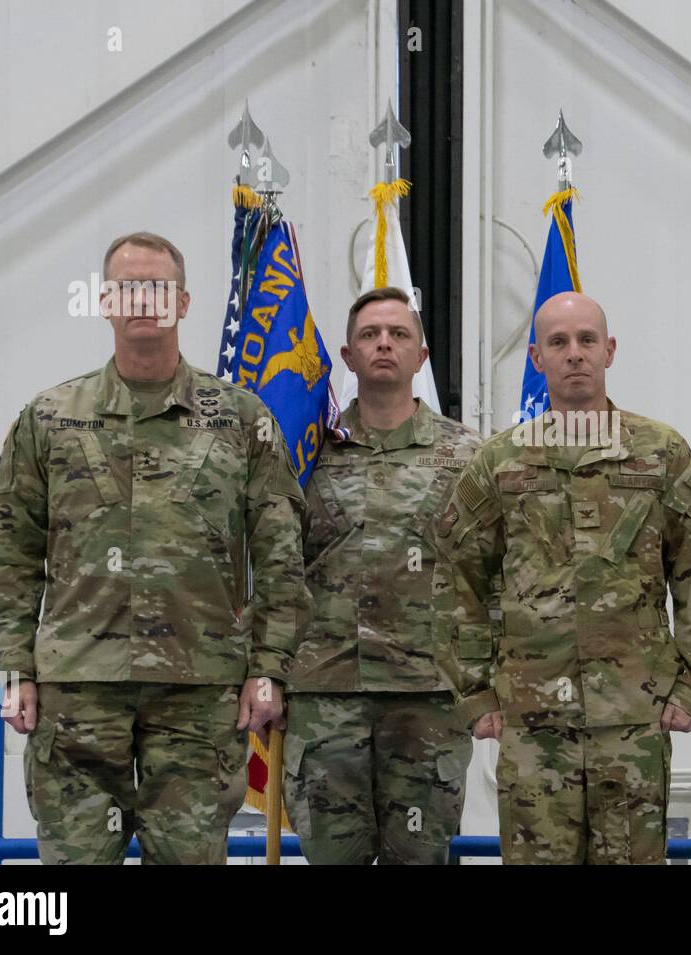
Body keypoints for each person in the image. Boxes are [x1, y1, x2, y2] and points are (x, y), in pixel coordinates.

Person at [0, 232, 305, 864]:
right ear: (105, 301)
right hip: (77, 689)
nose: (143, 299)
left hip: (198, 690)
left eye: (157, 287)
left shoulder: (241, 418)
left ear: (183, 302)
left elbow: (279, 553)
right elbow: (15, 554)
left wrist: (268, 667)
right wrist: (13, 666)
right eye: (128, 286)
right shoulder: (49, 419)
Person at [433, 291, 691, 864]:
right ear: (537, 359)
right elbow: (456, 575)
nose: (575, 354)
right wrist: (473, 693)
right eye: (558, 342)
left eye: (587, 340)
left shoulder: (661, 453)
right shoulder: (501, 461)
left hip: (634, 719)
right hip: (533, 721)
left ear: (609, 351)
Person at [283, 287, 481, 864]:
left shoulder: (469, 455)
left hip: (429, 698)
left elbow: (488, 572)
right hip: (326, 693)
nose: (384, 345)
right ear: (347, 357)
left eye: (399, 334)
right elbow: (274, 564)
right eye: (370, 336)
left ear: (421, 356)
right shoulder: (307, 452)